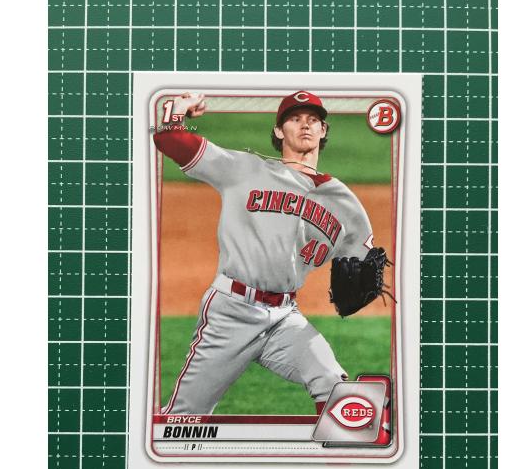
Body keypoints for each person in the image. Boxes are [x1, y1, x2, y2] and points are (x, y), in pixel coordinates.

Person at [153, 90, 377, 415]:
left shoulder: (344, 201)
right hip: (231, 311)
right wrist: (176, 111)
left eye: (313, 120)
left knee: (332, 381)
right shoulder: (243, 169)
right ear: (278, 131)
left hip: (285, 317)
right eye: (294, 119)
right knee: (184, 419)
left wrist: (365, 281)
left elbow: (367, 262)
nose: (305, 125)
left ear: (323, 130)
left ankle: (343, 448)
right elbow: (170, 141)